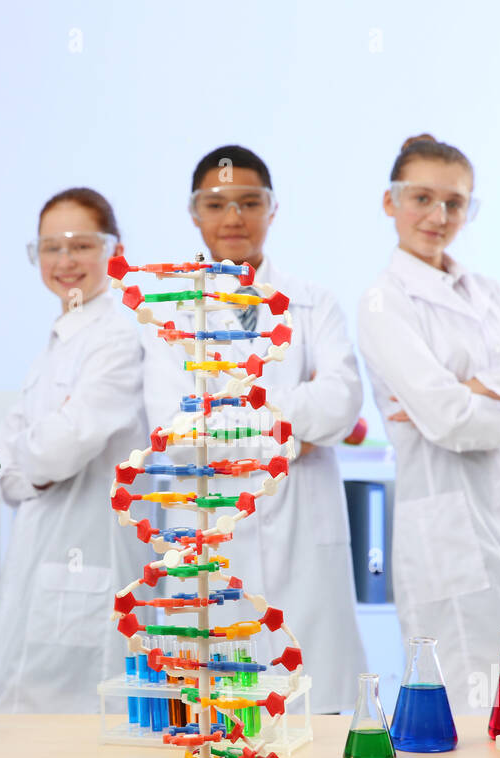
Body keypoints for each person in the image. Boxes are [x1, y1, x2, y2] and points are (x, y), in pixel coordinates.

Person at [356, 134, 500, 714]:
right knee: (475, 712)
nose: (438, 216)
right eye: (422, 198)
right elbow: (450, 422)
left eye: (455, 203)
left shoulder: (488, 293)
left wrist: (477, 386)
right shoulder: (384, 303)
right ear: (390, 202)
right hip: (447, 532)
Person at [139, 145, 368, 713]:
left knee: (319, 712)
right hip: (210, 538)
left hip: (305, 544)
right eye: (216, 204)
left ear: (272, 208)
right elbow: (177, 428)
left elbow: (342, 402)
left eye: (249, 202)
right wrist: (295, 429)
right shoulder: (167, 312)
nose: (233, 217)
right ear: (195, 213)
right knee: (214, 723)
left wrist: (227, 412)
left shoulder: (314, 304)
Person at [0, 188, 150, 713]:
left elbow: (55, 451)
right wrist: (39, 457)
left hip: (88, 564)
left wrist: (38, 455)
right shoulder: (57, 342)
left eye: (81, 245)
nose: (65, 261)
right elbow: (3, 471)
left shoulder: (119, 337)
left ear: (114, 251)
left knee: (73, 744)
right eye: (51, 247)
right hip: (39, 563)